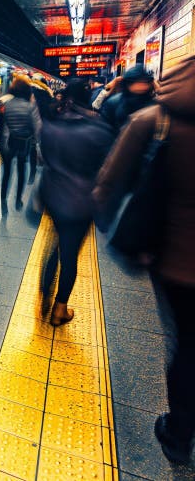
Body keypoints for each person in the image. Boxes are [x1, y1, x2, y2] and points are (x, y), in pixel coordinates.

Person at [92, 55, 195, 464]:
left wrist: (105, 217)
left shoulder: (155, 119)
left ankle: (179, 431)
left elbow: (109, 180)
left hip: (171, 256)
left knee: (185, 342)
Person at [40, 79, 115, 326]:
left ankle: (44, 290)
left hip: (53, 196)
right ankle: (60, 310)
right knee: (70, 256)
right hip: (81, 203)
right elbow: (108, 169)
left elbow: (44, 159)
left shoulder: (51, 123)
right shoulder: (100, 128)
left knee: (55, 243)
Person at [0, 75, 42, 215]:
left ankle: (3, 200)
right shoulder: (30, 106)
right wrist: (37, 145)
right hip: (24, 142)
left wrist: (4, 145)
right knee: (21, 170)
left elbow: (4, 127)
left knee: (6, 173)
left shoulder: (7, 104)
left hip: (9, 141)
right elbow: (37, 127)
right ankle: (18, 200)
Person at [100, 66, 155, 132]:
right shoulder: (113, 102)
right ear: (128, 84)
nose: (141, 86)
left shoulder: (152, 103)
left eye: (145, 82)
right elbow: (105, 127)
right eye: (137, 82)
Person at [30, 73, 54, 183]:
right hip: (44, 122)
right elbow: (49, 109)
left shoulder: (29, 91)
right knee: (43, 144)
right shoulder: (47, 92)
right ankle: (45, 167)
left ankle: (32, 172)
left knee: (32, 146)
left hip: (32, 123)